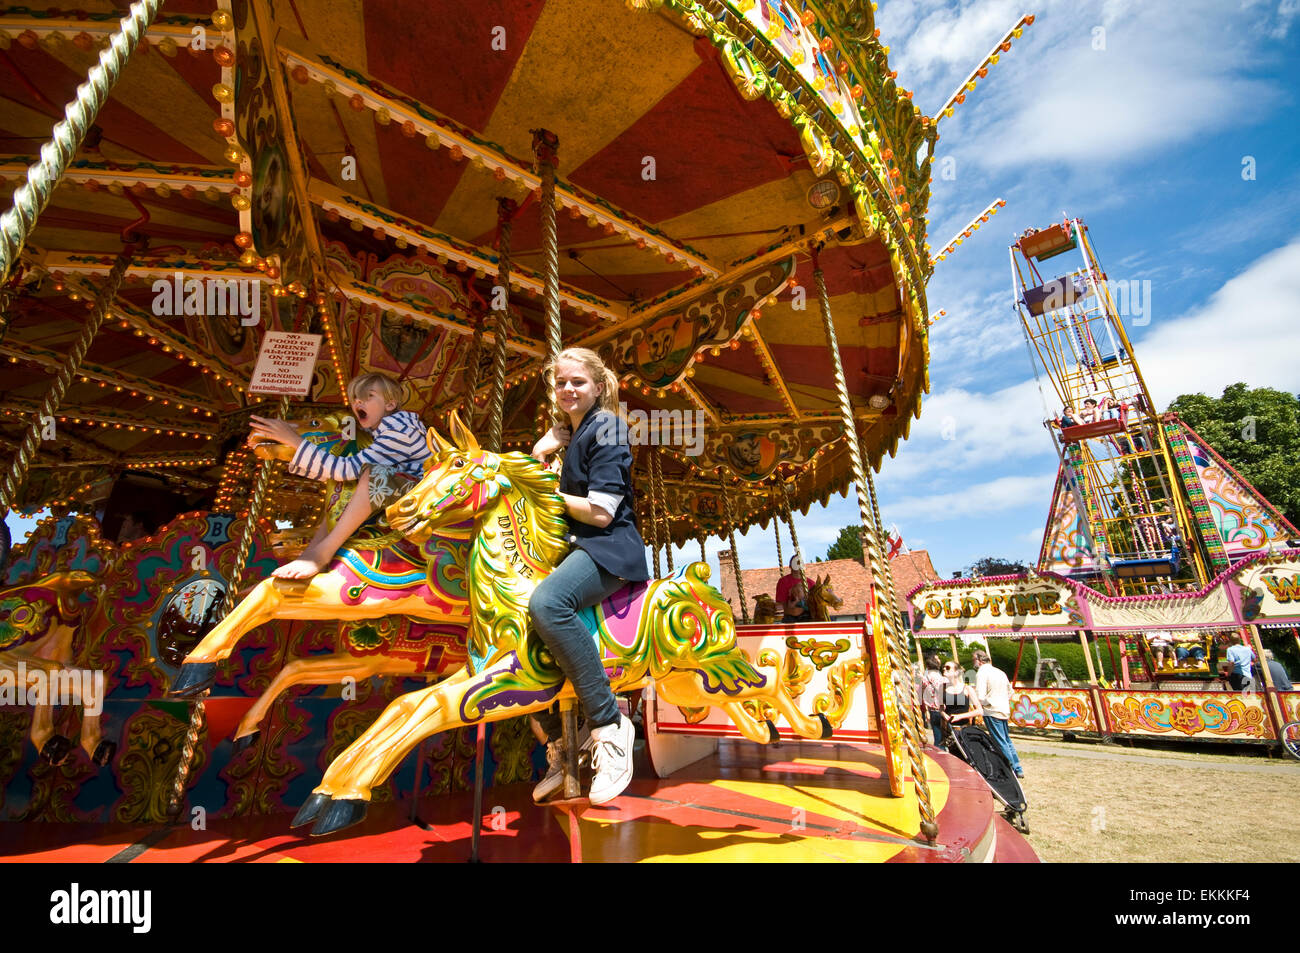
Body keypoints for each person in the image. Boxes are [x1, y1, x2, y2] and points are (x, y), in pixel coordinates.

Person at [528, 347, 647, 805]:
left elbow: (601, 511)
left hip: (608, 549)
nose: (567, 389)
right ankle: (564, 744)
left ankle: (608, 724)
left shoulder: (608, 428)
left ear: (598, 387)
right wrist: (541, 454)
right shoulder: (570, 436)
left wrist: (549, 496)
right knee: (511, 623)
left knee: (547, 603)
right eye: (560, 383)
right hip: (576, 545)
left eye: (577, 382)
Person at [249, 372, 430, 579]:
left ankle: (323, 552)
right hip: (408, 492)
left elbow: (345, 469)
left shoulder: (399, 430)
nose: (358, 401)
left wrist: (293, 439)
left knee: (372, 475)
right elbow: (341, 473)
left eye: (368, 396)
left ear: (389, 405)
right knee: (345, 487)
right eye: (355, 398)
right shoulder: (380, 432)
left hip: (423, 497)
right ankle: (309, 555)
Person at [973, 649, 1024, 778]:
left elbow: (980, 695)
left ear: (979, 661)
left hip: (992, 710)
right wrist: (1001, 700)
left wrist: (987, 703)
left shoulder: (982, 673)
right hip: (1003, 709)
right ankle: (1017, 767)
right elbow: (1010, 692)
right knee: (1006, 740)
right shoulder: (999, 672)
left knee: (1000, 741)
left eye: (974, 660)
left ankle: (1010, 768)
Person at [919, 653, 947, 745]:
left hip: (932, 708)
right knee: (943, 736)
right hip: (942, 708)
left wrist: (926, 709)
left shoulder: (925, 677)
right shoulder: (940, 677)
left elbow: (923, 694)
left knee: (937, 734)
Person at [775, 556, 808, 622]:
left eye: (799, 563)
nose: (798, 565)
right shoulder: (783, 582)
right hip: (791, 616)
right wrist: (791, 611)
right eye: (795, 563)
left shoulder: (811, 583)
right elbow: (780, 605)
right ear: (790, 566)